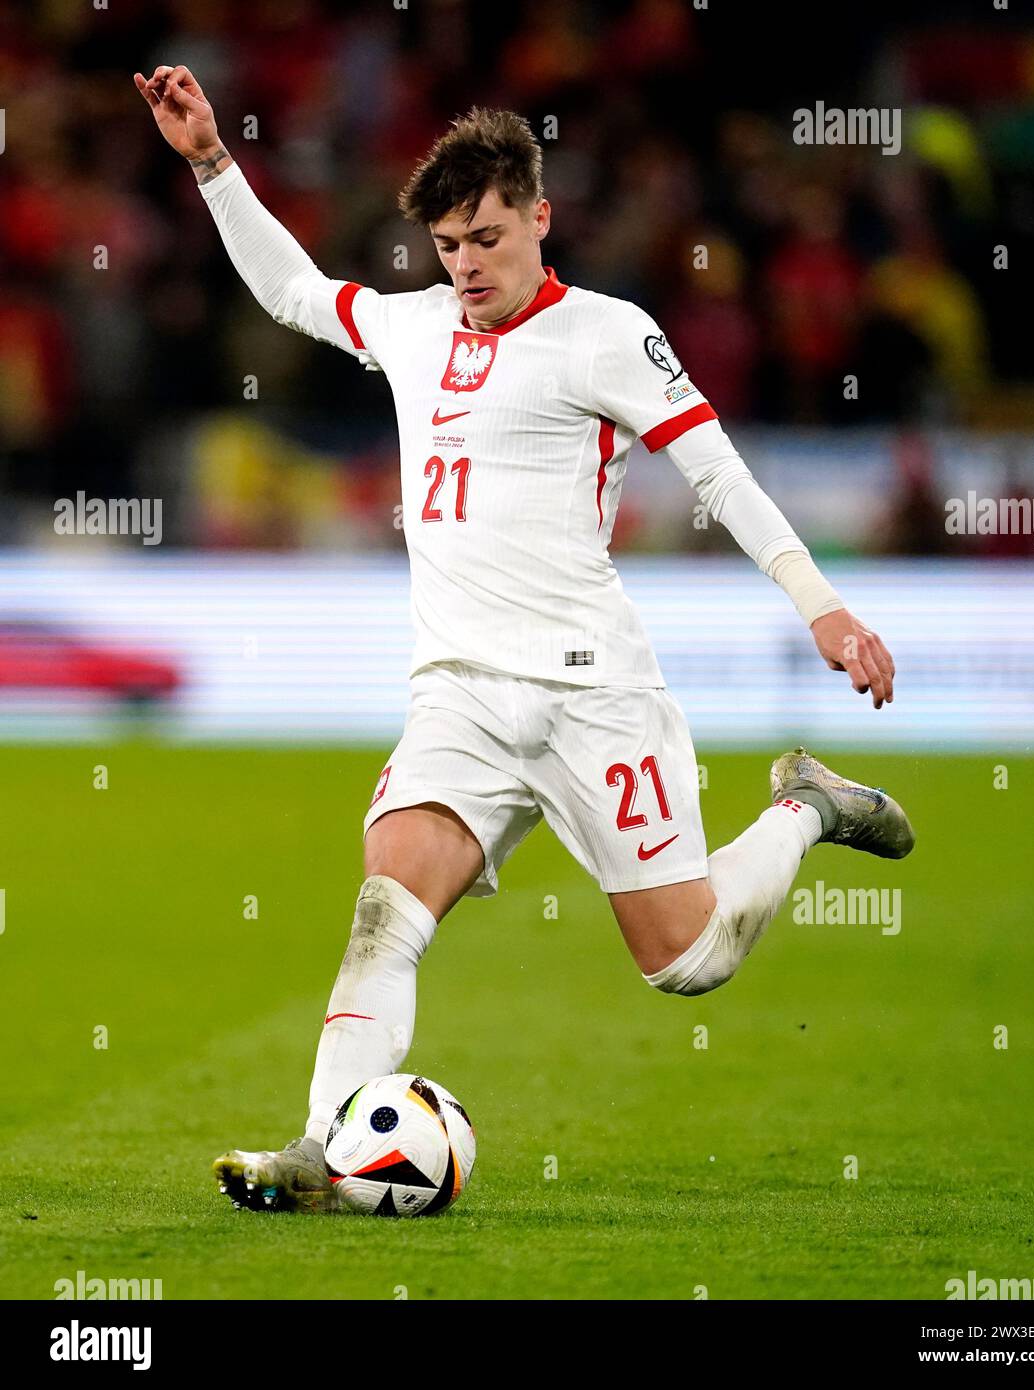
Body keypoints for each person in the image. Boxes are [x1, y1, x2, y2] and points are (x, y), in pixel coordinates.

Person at [134, 65, 915, 1213]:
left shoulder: (607, 336)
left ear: (538, 217)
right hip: (458, 695)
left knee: (685, 962)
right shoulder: (407, 327)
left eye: (486, 238)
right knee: (383, 911)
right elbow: (297, 293)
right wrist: (210, 162)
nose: (465, 264)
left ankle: (805, 803)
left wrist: (823, 607)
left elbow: (715, 472)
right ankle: (318, 1144)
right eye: (447, 243)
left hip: (590, 691)